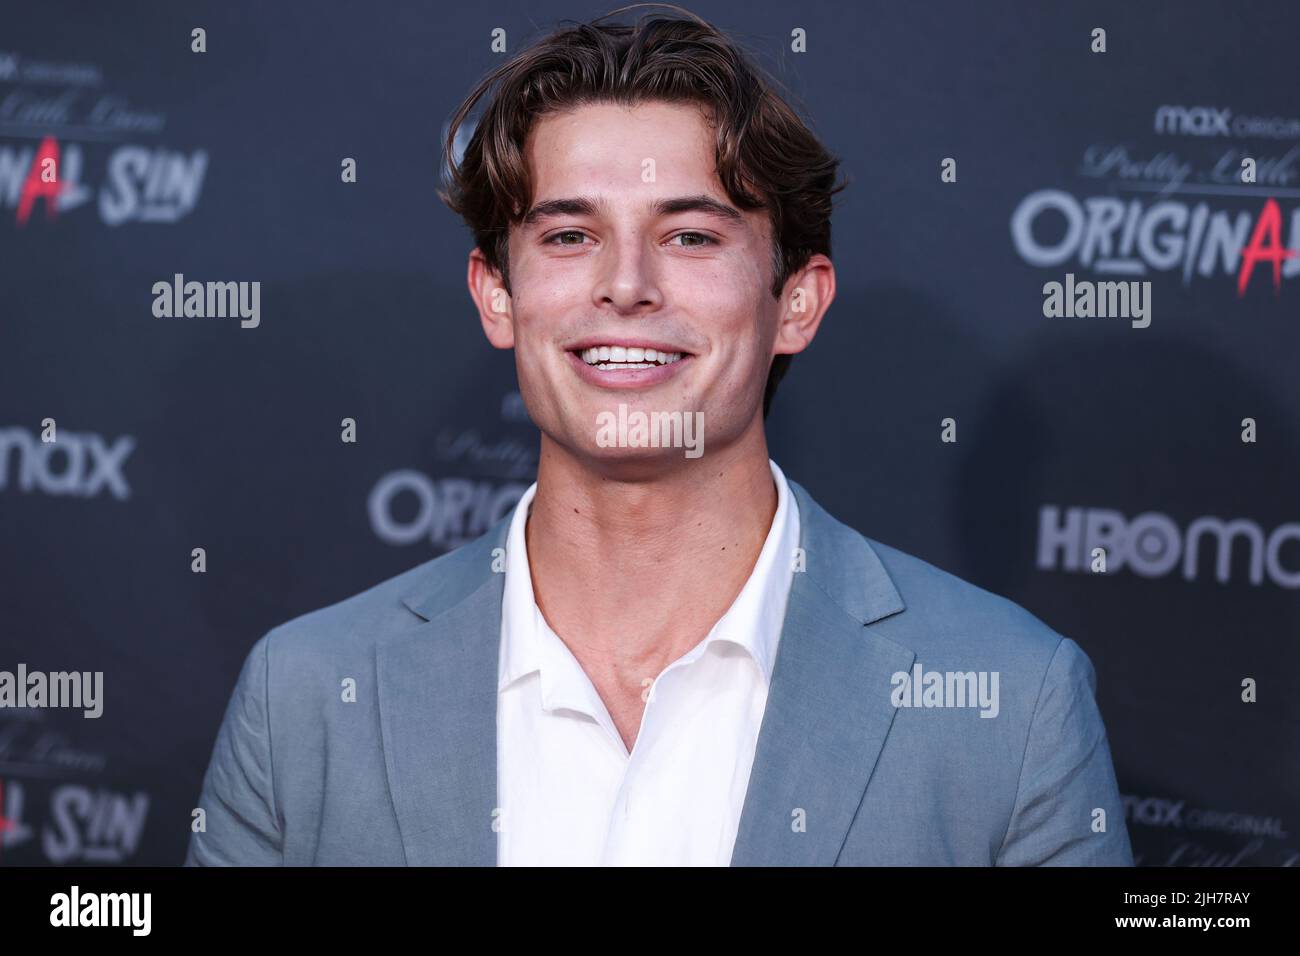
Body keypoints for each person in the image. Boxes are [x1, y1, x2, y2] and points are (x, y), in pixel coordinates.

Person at [185, 3, 1133, 866]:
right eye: (569, 236)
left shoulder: (1011, 702)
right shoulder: (304, 695)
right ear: (497, 296)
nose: (627, 284)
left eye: (691, 236)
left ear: (796, 302)